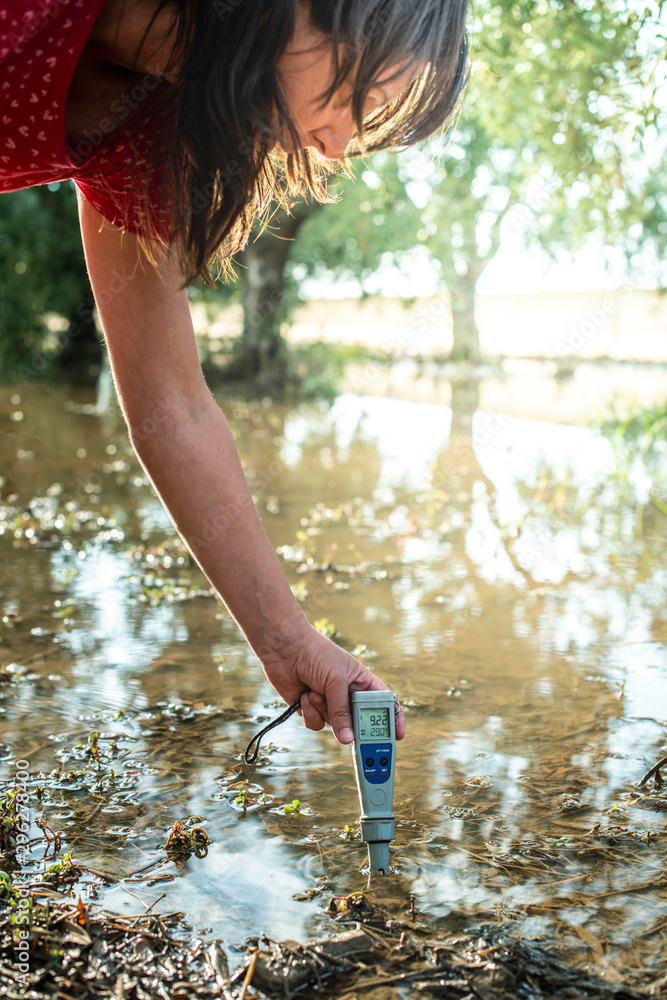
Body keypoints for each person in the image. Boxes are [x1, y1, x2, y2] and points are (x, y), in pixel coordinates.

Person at [1, 0, 469, 746]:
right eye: (365, 99)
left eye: (375, 125)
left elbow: (172, 406)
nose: (344, 146)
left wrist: (288, 639)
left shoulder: (146, 131)